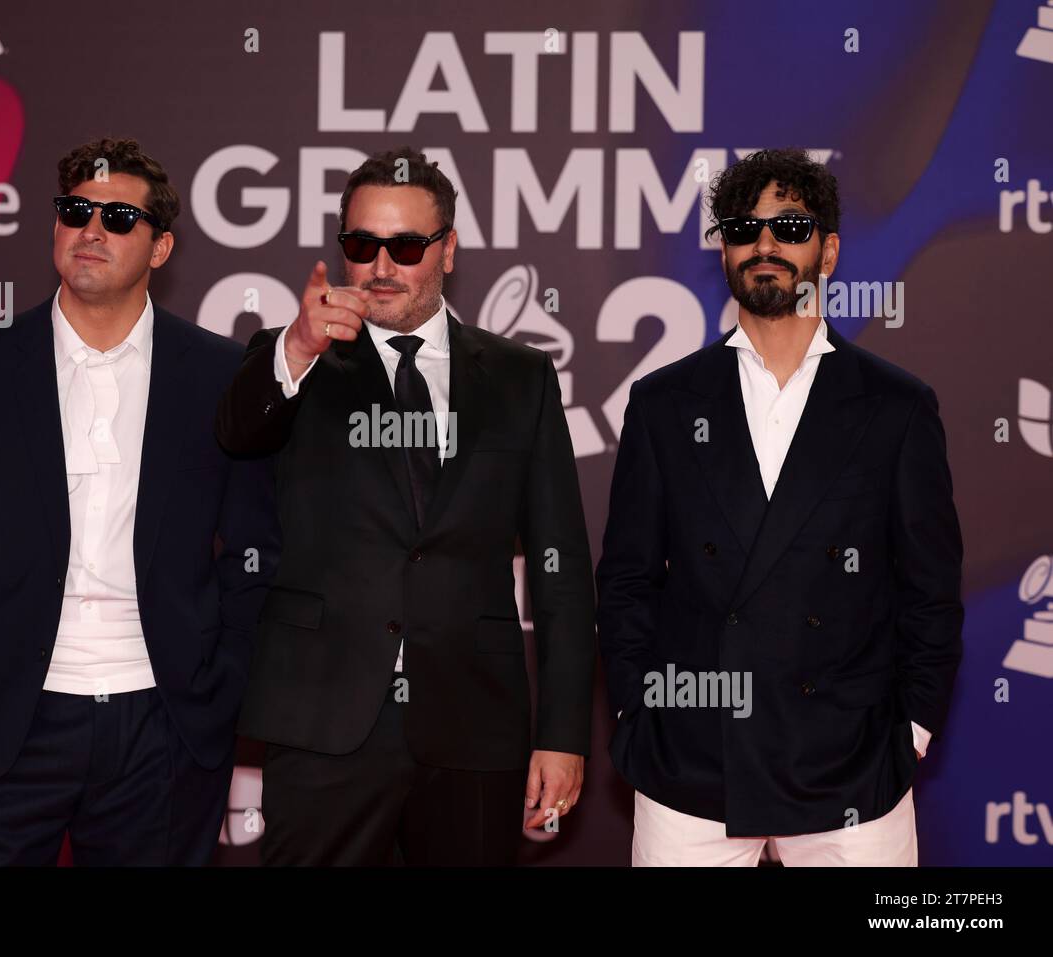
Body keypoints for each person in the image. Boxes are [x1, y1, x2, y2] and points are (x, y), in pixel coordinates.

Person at [216, 148, 595, 865]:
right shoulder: (296, 356)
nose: (380, 266)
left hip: (472, 721)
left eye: (406, 246)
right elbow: (236, 432)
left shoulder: (520, 377)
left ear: (448, 249)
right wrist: (298, 346)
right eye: (361, 245)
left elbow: (562, 571)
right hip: (324, 716)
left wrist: (564, 730)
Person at [0, 137, 279, 865]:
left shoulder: (218, 372)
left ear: (161, 246)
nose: (91, 230)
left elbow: (253, 551)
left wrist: (223, 688)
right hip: (4, 721)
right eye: (76, 210)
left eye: (118, 218)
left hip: (164, 725)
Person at [596, 148, 963, 866]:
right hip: (691, 766)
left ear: (828, 249)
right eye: (743, 227)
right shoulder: (664, 403)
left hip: (851, 771)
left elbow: (931, 592)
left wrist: (908, 732)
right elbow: (627, 578)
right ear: (726, 248)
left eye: (790, 226)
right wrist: (636, 716)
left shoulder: (897, 407)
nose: (765, 245)